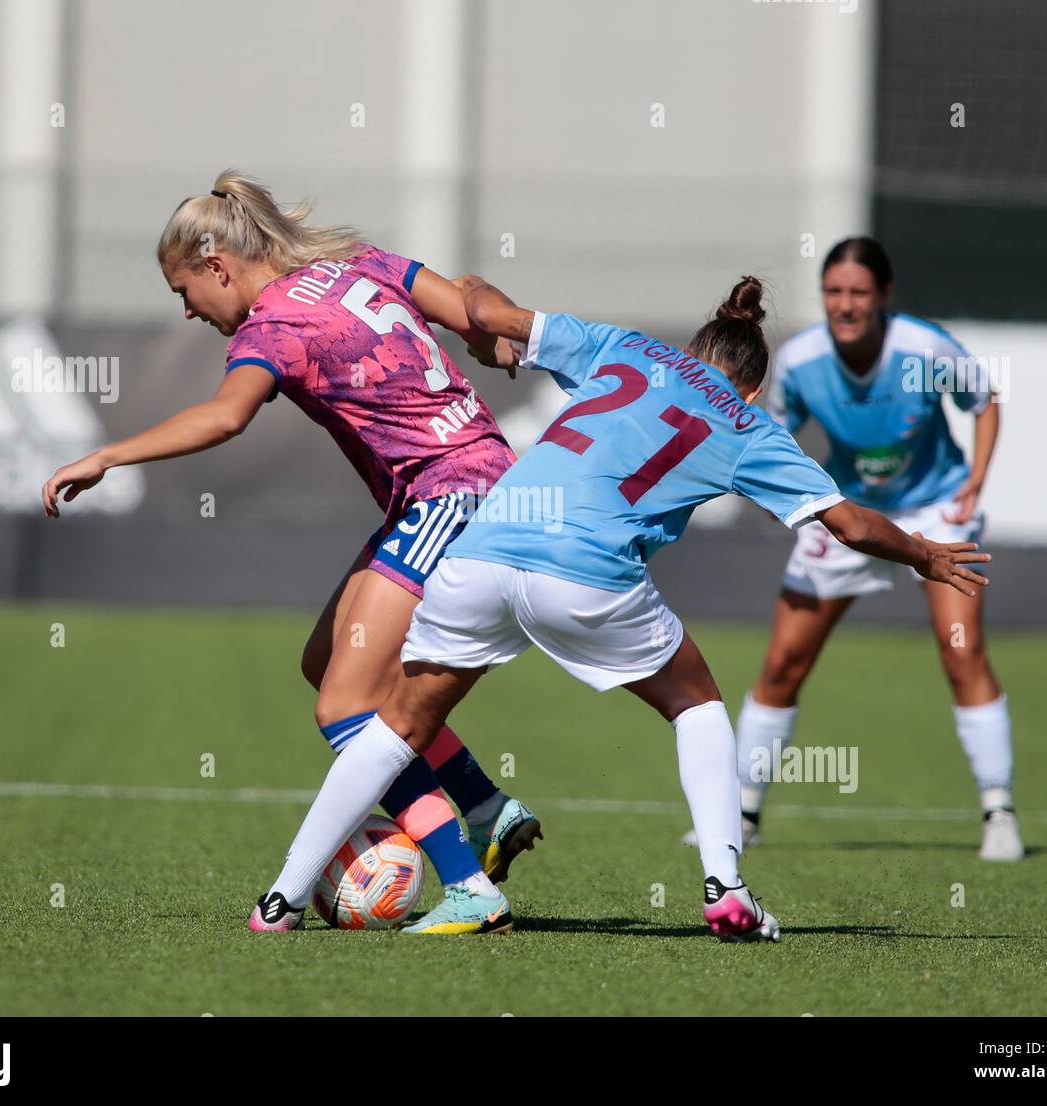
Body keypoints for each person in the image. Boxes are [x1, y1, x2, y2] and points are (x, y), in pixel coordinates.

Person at [254, 274, 992, 941]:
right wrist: (926, 554)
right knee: (696, 703)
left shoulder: (623, 348)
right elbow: (850, 524)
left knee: (400, 724)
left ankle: (279, 904)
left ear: (692, 348)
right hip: (584, 576)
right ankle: (724, 889)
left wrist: (482, 326)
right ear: (752, 387)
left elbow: (486, 310)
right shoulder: (743, 423)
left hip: (482, 550)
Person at [41, 170, 543, 937]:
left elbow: (224, 418)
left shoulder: (271, 327)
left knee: (347, 704)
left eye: (184, 291)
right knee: (326, 663)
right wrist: (496, 334)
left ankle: (471, 885)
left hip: (455, 495)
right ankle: (482, 808)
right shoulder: (362, 263)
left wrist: (107, 456)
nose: (186, 310)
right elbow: (470, 299)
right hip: (457, 490)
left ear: (217, 267)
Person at [699, 237, 1021, 862]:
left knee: (963, 653)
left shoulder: (924, 350)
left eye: (859, 292)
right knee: (783, 662)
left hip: (935, 508)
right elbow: (774, 433)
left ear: (884, 296)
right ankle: (743, 812)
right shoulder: (800, 361)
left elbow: (984, 404)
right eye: (833, 292)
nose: (845, 304)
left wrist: (975, 483)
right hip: (852, 515)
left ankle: (999, 810)